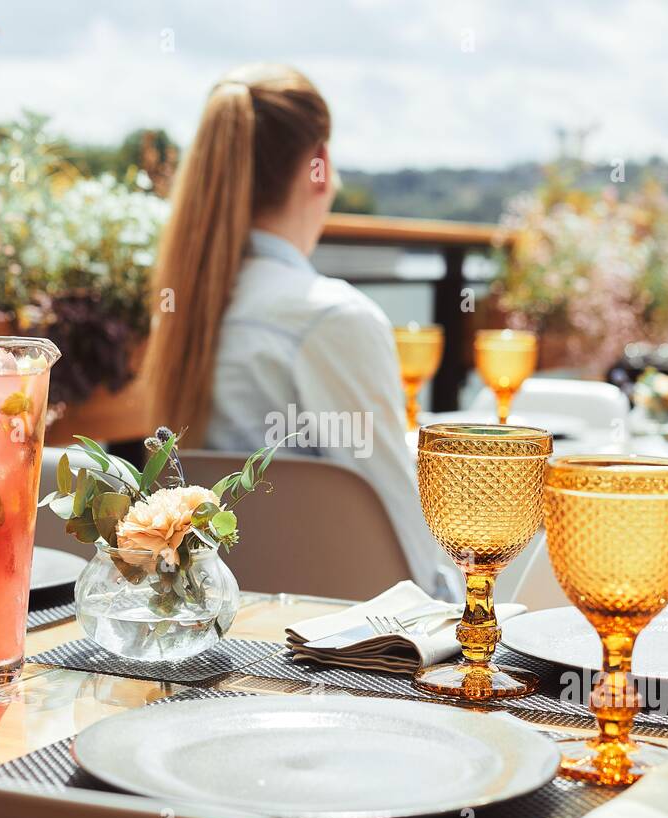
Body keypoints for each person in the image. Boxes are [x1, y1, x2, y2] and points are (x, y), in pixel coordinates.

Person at [145, 64, 454, 598]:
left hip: (223, 636)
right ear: (321, 166)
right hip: (355, 656)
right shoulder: (332, 320)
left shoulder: (187, 317)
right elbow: (414, 563)